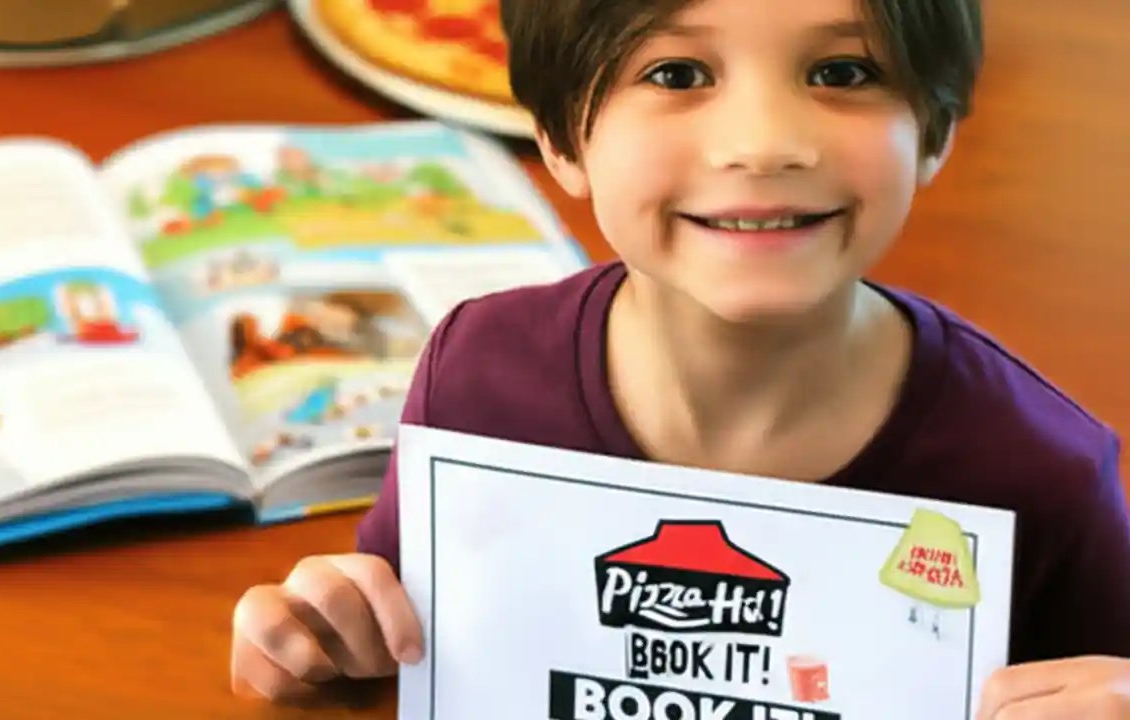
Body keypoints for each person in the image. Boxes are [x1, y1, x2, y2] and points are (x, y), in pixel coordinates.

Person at [230, 0, 1130, 714]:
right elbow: (388, 646)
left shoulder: (1042, 470)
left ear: (934, 132)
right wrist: (317, 640)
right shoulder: (476, 376)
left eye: (843, 71)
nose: (764, 142)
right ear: (558, 136)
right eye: (676, 72)